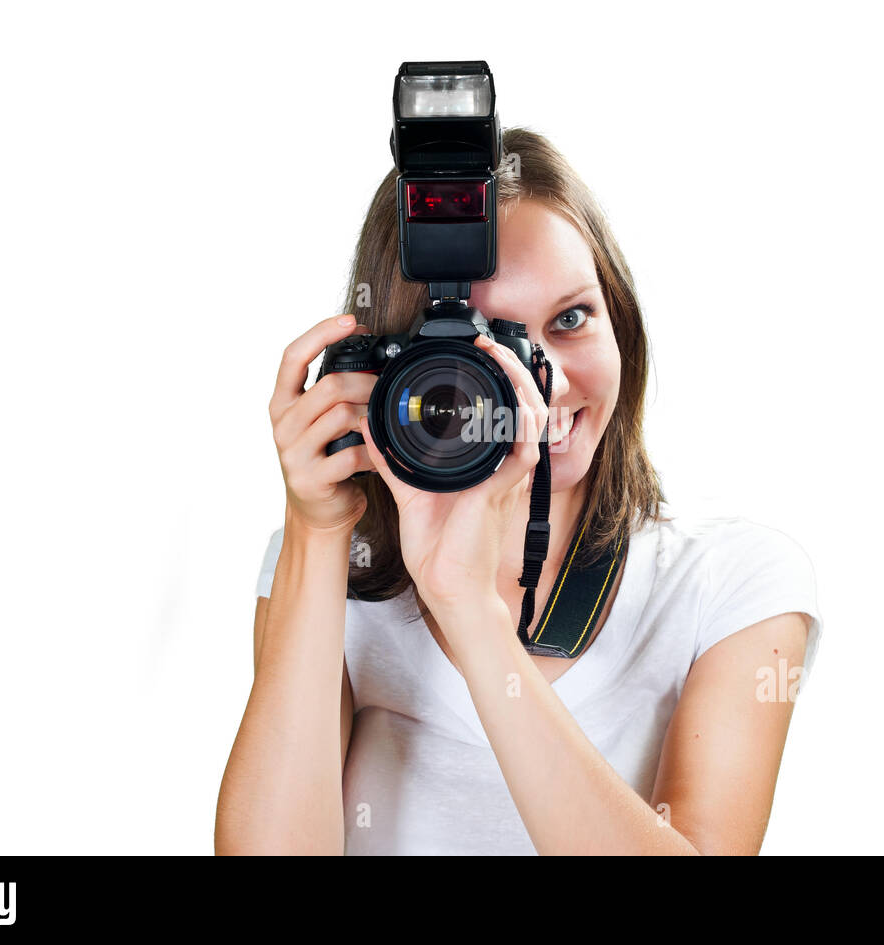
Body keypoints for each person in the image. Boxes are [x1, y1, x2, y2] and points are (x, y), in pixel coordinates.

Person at [214, 129, 822, 855]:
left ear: (621, 321)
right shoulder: (332, 562)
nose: (545, 385)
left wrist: (470, 609)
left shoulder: (732, 579)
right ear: (395, 370)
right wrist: (316, 531)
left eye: (571, 319)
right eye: (489, 346)